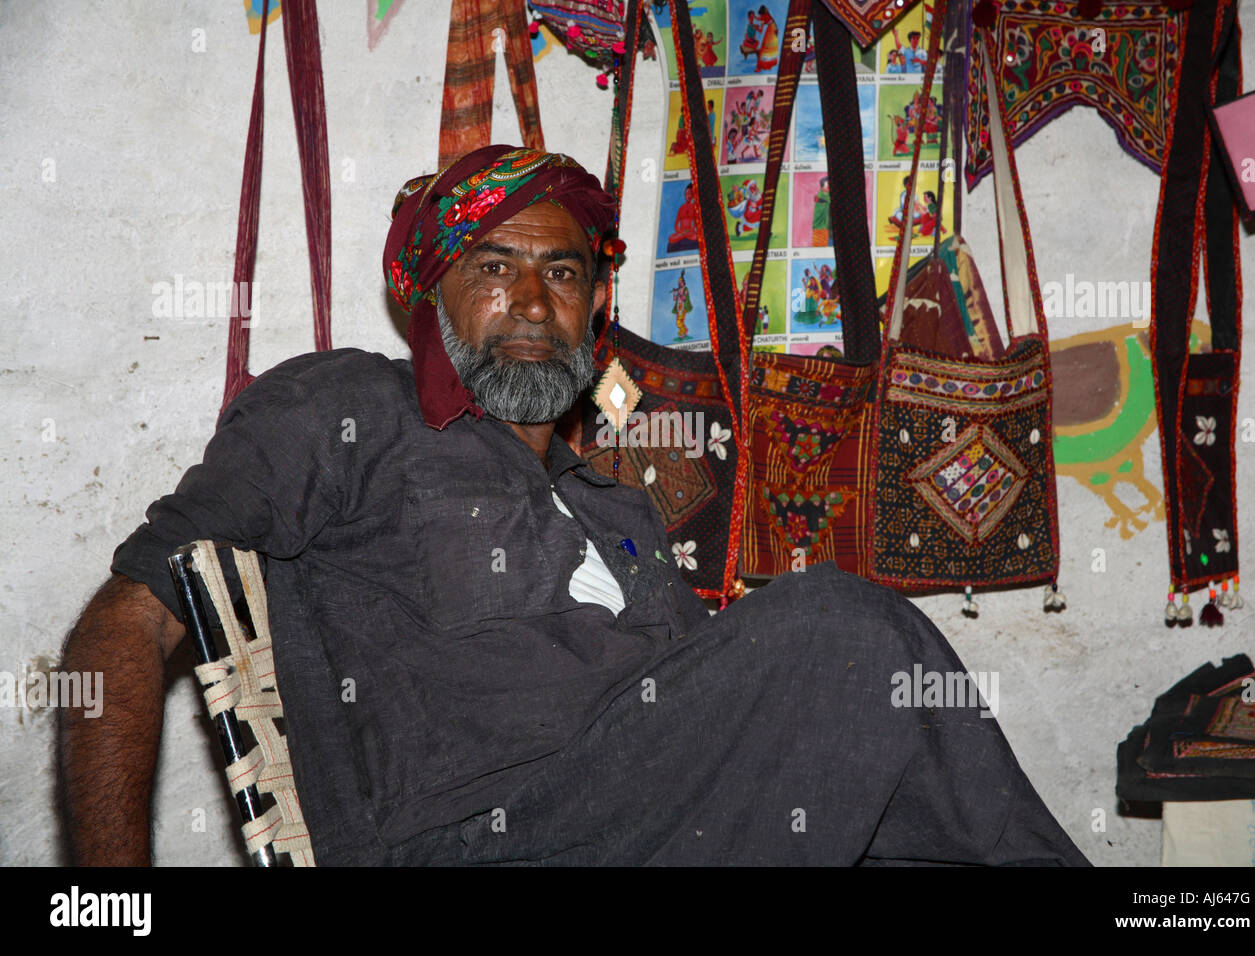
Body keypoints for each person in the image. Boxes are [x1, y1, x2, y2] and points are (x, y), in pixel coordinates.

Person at [59, 145, 1088, 867]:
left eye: (561, 270)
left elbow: (709, 719)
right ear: (432, 292)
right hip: (471, 837)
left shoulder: (618, 508)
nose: (532, 300)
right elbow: (124, 618)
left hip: (651, 821)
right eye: (491, 266)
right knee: (837, 627)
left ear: (598, 306)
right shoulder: (345, 407)